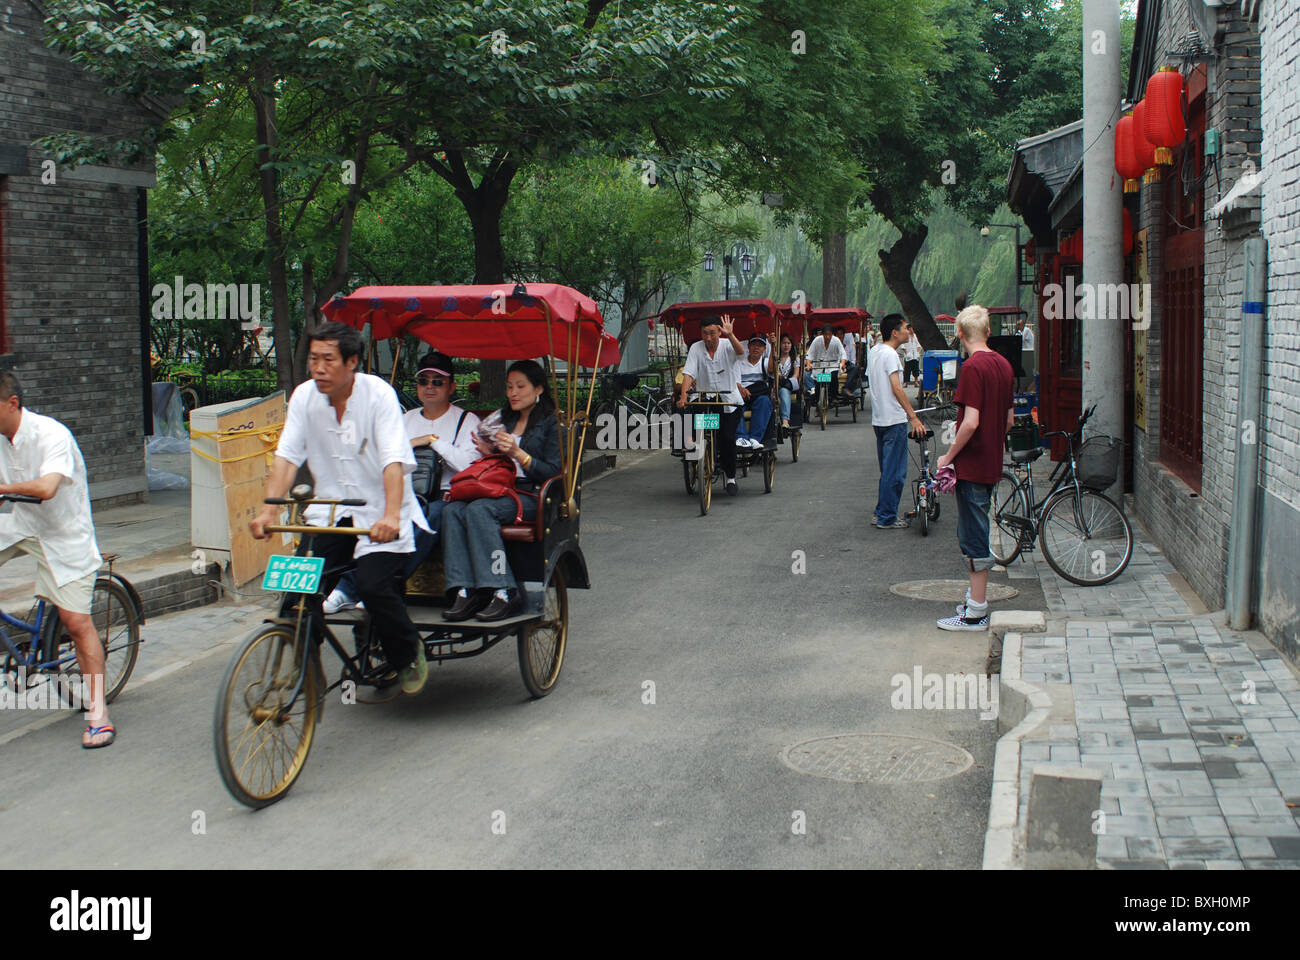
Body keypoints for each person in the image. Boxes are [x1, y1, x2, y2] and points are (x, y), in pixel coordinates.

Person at [250, 321, 431, 695]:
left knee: (371, 585)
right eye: (314, 358)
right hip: (328, 511)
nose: (318, 367)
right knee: (296, 588)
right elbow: (286, 457)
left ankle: (407, 651)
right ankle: (305, 661)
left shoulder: (377, 395)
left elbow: (393, 462)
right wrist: (269, 510)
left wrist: (391, 516)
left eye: (328, 360)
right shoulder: (303, 397)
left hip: (381, 510)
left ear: (352, 362)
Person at [0, 371, 113, 748]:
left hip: (65, 535)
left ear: (12, 403)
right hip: (20, 525)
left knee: (76, 622)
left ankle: (99, 715)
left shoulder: (52, 435)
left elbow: (47, 488)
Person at [323, 351, 481, 614]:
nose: (430, 387)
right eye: (424, 381)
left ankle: (361, 587)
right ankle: (336, 583)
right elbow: (378, 457)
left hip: (445, 496)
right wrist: (412, 443)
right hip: (401, 492)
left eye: (438, 382)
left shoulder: (466, 421)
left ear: (451, 386)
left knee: (426, 518)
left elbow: (468, 466)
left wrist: (434, 441)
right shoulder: (404, 420)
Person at [441, 359, 562, 622]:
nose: (513, 393)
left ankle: (503, 589)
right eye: (509, 387)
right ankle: (463, 589)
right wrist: (491, 452)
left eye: (520, 386)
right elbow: (500, 462)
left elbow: (552, 471)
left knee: (479, 510)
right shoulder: (504, 418)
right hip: (498, 488)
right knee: (452, 511)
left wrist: (519, 453)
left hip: (530, 494)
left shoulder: (550, 423)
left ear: (538, 389)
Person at [935, 305, 1014, 631]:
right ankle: (974, 599)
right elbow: (1008, 420)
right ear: (989, 332)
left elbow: (970, 423)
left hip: (971, 465)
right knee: (977, 528)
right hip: (992, 462)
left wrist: (948, 456)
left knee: (973, 536)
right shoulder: (1004, 365)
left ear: (960, 335)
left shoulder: (972, 368)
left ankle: (976, 611)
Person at [867, 315, 926, 529]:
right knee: (896, 473)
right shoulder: (891, 355)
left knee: (887, 470)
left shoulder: (875, 351)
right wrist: (913, 416)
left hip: (879, 420)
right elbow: (897, 388)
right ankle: (887, 517)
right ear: (894, 332)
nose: (907, 331)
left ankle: (881, 511)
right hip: (893, 419)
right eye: (904, 328)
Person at [677, 314, 746, 495]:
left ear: (719, 332)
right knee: (692, 418)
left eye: (712, 333)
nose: (708, 338)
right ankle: (695, 448)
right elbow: (688, 374)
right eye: (705, 333)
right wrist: (684, 397)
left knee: (727, 437)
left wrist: (730, 335)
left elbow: (740, 352)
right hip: (706, 399)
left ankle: (730, 476)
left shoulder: (726, 344)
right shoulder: (696, 349)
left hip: (729, 401)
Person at [733, 333, 776, 449]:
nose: (756, 348)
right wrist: (741, 389)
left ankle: (755, 438)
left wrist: (773, 346)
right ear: (748, 346)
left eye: (760, 346)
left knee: (765, 402)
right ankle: (741, 437)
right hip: (741, 396)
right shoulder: (739, 362)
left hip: (758, 396)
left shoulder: (765, 362)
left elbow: (772, 370)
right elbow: (736, 382)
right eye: (753, 345)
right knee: (733, 405)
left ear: (764, 349)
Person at [803, 324, 847, 411]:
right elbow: (809, 355)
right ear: (822, 334)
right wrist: (808, 365)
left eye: (829, 334)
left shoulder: (836, 340)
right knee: (819, 382)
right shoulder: (817, 340)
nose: (827, 337)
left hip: (833, 365)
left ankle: (833, 396)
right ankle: (817, 397)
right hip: (819, 366)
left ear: (832, 334)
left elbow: (843, 354)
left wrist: (842, 363)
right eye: (825, 334)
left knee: (833, 376)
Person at [775, 333, 801, 429]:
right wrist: (778, 376)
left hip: (788, 384)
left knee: (784, 391)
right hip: (776, 383)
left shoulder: (794, 359)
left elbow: (796, 374)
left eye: (788, 343)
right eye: (784, 343)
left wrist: (788, 381)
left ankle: (785, 421)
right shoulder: (775, 358)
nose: (786, 345)